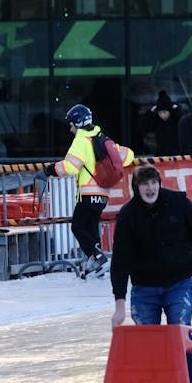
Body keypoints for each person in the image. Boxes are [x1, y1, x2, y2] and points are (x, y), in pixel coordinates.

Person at [110, 165, 192, 383]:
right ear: (136, 187)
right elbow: (120, 260)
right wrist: (119, 304)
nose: (150, 188)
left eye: (153, 182)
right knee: (148, 342)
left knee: (180, 334)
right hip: (144, 287)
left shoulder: (178, 202)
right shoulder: (128, 215)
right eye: (145, 184)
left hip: (179, 282)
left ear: (159, 183)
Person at [51, 104, 135, 277]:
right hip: (103, 193)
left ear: (78, 123)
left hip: (88, 193)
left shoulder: (81, 141)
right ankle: (96, 266)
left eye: (72, 124)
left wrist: (50, 170)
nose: (70, 127)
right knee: (90, 228)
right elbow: (128, 156)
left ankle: (97, 255)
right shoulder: (102, 138)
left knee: (78, 226)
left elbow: (71, 167)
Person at [134, 90, 181, 156]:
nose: (162, 115)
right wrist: (150, 112)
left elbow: (184, 122)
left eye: (164, 112)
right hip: (160, 154)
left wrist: (177, 109)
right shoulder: (156, 120)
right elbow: (141, 127)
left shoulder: (176, 119)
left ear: (170, 111)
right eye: (160, 112)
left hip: (176, 154)